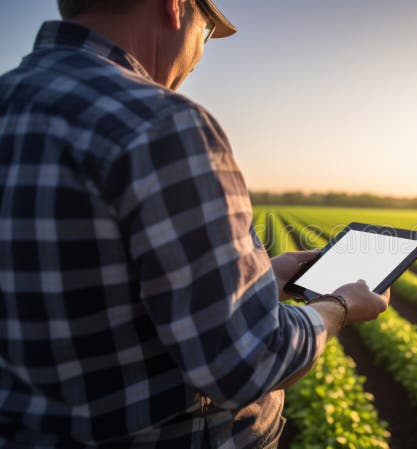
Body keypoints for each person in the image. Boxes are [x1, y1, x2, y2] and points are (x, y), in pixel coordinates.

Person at [0, 1, 391, 448]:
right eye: (205, 33)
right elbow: (247, 361)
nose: (198, 57)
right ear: (175, 7)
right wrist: (338, 307)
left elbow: (93, 296)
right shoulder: (162, 123)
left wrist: (264, 277)